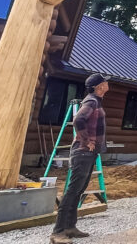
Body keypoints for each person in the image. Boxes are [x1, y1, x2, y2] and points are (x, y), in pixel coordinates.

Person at [50, 73, 109, 244]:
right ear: (99, 87)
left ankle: (70, 227)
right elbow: (78, 120)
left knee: (78, 190)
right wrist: (86, 140)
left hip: (88, 153)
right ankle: (57, 233)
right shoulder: (91, 101)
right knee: (71, 192)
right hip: (82, 152)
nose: (107, 84)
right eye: (104, 82)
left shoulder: (95, 101)